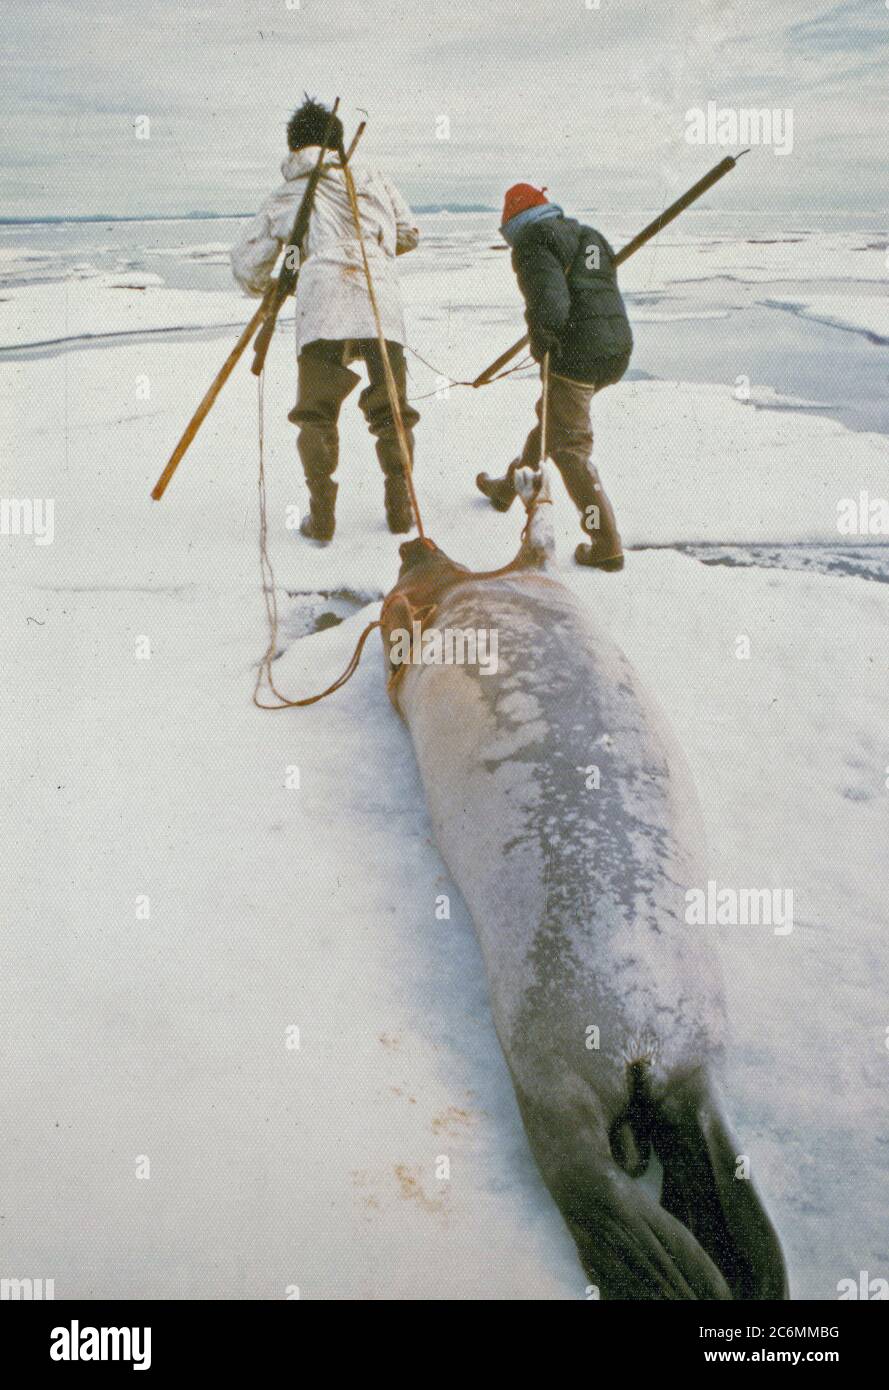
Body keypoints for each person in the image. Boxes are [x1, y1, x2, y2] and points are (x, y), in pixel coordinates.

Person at [231, 97, 420, 542]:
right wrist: (372, 251)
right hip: (380, 301)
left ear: (295, 146)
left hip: (323, 304)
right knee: (393, 410)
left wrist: (282, 277)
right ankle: (400, 511)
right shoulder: (374, 179)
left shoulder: (288, 191)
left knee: (316, 414)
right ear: (338, 144)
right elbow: (409, 233)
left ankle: (323, 518)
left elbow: (247, 263)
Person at [476, 183, 632, 569]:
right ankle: (506, 490)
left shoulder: (533, 242)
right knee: (553, 420)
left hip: (577, 355)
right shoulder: (588, 235)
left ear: (513, 224)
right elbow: (594, 288)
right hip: (615, 348)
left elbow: (550, 303)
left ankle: (605, 543)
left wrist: (543, 341)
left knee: (570, 448)